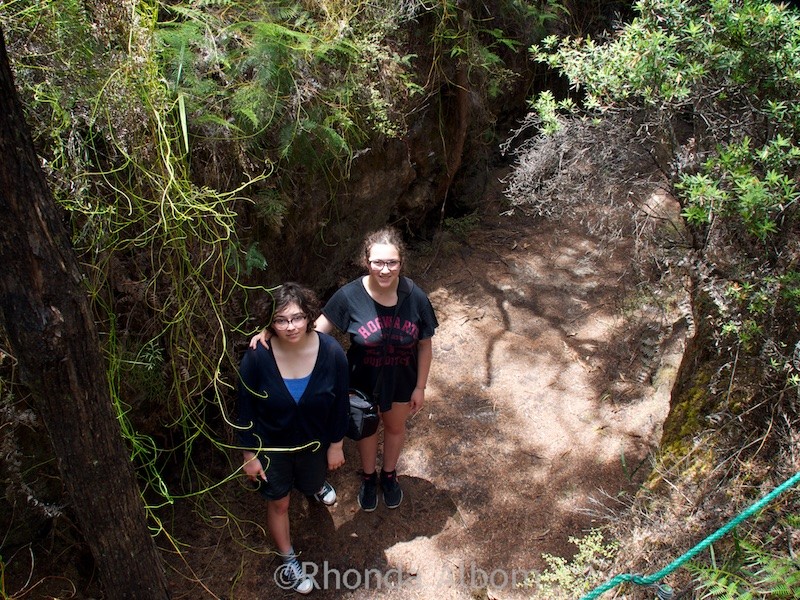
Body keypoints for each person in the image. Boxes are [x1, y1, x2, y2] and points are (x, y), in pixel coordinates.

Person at [251, 227, 438, 511]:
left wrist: (420, 386)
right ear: (367, 261)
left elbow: (425, 344)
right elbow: (315, 331)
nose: (385, 270)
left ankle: (388, 475)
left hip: (402, 379)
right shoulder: (350, 296)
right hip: (361, 381)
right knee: (366, 429)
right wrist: (273, 333)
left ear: (401, 262)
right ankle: (368, 476)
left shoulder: (416, 297)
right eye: (378, 262)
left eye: (392, 262)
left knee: (395, 427)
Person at [237, 282, 349, 594]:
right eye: (281, 320)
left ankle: (314, 487)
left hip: (315, 444)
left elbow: (340, 402)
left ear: (310, 316)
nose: (290, 327)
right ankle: (288, 557)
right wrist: (249, 455)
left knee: (311, 484)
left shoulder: (332, 353)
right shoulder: (258, 358)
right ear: (269, 322)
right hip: (271, 448)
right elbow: (244, 409)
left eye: (297, 318)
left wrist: (337, 444)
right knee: (280, 502)